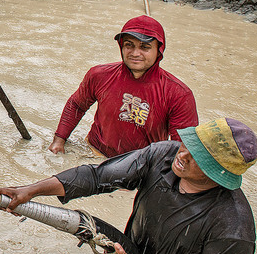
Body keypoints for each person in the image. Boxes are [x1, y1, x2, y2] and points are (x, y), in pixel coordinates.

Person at [0, 117, 257, 254]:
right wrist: (30, 191)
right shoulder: (164, 154)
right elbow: (97, 177)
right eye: (190, 144)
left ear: (219, 174)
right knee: (85, 224)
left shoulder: (233, 224)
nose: (184, 154)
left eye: (200, 158)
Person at [49, 15, 197, 157]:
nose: (135, 53)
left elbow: (183, 147)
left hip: (141, 167)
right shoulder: (99, 75)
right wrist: (59, 140)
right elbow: (76, 105)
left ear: (159, 50)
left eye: (144, 47)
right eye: (129, 45)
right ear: (121, 46)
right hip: (94, 152)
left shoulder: (178, 94)